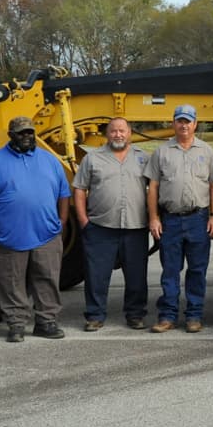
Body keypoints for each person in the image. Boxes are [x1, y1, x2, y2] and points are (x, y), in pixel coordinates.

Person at [0, 116, 70, 343]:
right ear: (10, 136)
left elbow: (64, 193)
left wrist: (62, 222)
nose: (27, 137)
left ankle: (46, 322)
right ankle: (16, 324)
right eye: (21, 133)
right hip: (8, 236)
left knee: (47, 279)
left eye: (30, 133)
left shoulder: (50, 160)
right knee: (11, 282)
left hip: (46, 234)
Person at [144, 104, 213, 333]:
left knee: (197, 270)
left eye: (188, 121)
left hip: (198, 219)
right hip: (171, 220)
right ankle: (168, 316)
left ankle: (194, 316)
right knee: (170, 270)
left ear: (195, 124)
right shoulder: (162, 152)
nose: (184, 125)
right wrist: (154, 218)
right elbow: (153, 187)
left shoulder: (206, 151)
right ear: (173, 123)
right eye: (180, 121)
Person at [72, 117, 149, 331]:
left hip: (135, 227)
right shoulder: (93, 158)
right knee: (97, 276)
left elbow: (156, 188)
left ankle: (135, 315)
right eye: (113, 131)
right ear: (107, 134)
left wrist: (154, 218)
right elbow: (79, 189)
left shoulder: (143, 158)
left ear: (130, 133)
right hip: (100, 227)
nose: (118, 135)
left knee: (136, 276)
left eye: (122, 131)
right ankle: (95, 316)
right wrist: (83, 221)